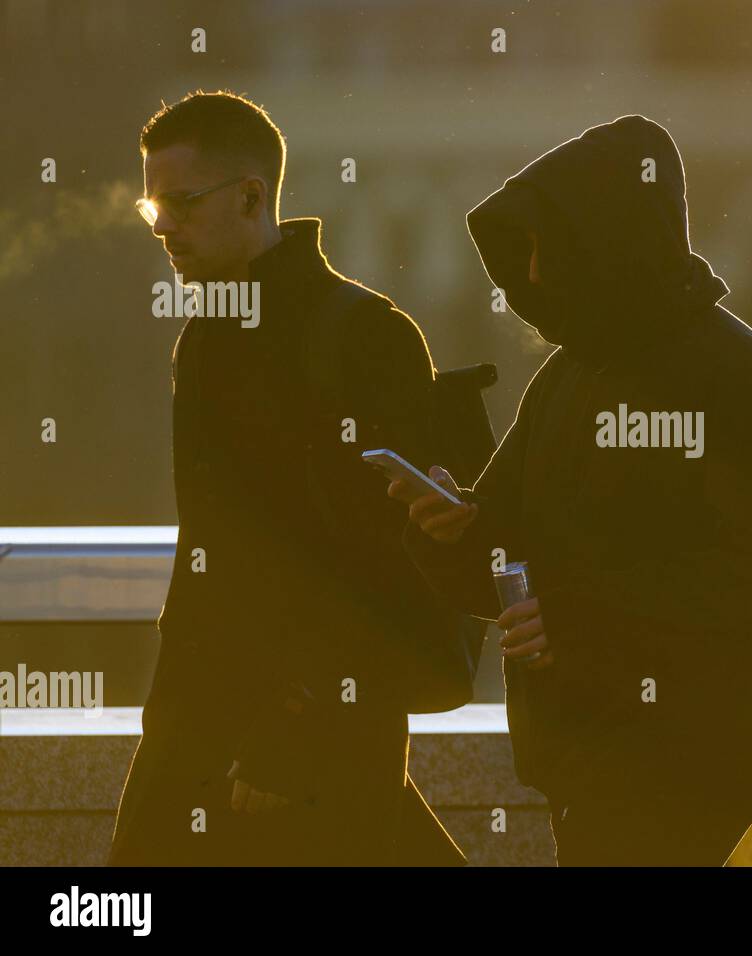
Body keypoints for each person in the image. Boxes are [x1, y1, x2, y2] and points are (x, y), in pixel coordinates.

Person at [396, 115, 752, 866]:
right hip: (579, 741)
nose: (530, 275)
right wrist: (449, 528)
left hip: (690, 747)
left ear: (605, 243)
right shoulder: (568, 376)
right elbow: (508, 544)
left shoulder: (735, 377)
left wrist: (576, 618)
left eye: (545, 249)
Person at [109, 90, 464, 865]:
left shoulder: (366, 336)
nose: (163, 225)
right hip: (209, 727)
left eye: (180, 201)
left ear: (250, 195)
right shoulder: (205, 340)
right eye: (151, 205)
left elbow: (382, 563)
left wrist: (295, 733)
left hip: (305, 745)